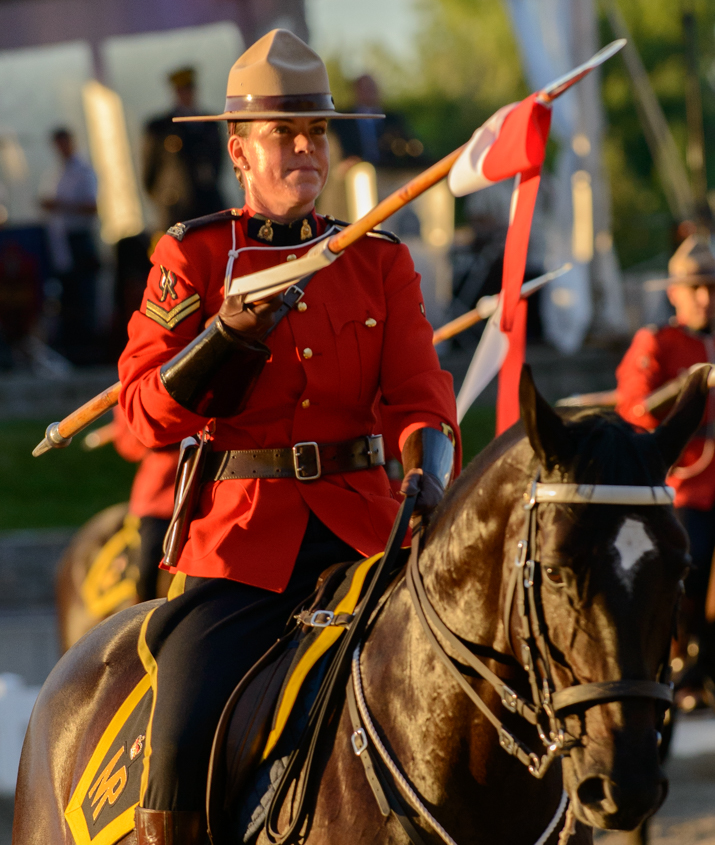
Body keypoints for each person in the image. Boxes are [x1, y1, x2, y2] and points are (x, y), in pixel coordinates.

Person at [118, 29, 460, 844]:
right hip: (244, 544)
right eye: (284, 135)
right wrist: (222, 341)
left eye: (316, 132)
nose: (306, 149)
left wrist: (428, 471)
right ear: (239, 151)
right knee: (181, 732)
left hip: (367, 529)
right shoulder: (194, 255)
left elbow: (420, 394)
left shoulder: (377, 256)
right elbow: (138, 420)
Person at [616, 233, 715, 706]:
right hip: (686, 485)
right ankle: (679, 663)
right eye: (696, 287)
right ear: (675, 291)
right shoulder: (657, 341)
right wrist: (683, 390)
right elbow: (633, 408)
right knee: (685, 573)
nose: (705, 297)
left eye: (712, 287)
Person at [40, 127, 100, 364]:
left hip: (80, 238)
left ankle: (87, 349)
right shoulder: (56, 172)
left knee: (84, 295)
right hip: (62, 240)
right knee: (69, 296)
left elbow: (92, 207)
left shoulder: (84, 171)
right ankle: (72, 348)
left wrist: (61, 205)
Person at [143, 67, 225, 232]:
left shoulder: (209, 123)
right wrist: (163, 198)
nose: (186, 94)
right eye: (182, 90)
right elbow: (150, 171)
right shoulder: (160, 127)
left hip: (207, 202)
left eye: (189, 89)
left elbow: (218, 162)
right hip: (176, 205)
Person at [112, 407, 180, 602]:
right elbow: (129, 446)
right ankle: (144, 624)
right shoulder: (142, 384)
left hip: (216, 493)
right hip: (161, 499)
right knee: (146, 573)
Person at [330, 73, 429, 168]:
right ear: (355, 91)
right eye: (364, 88)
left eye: (371, 87)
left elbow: (410, 148)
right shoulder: (341, 120)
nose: (369, 92)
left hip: (389, 175)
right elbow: (333, 151)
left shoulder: (393, 119)